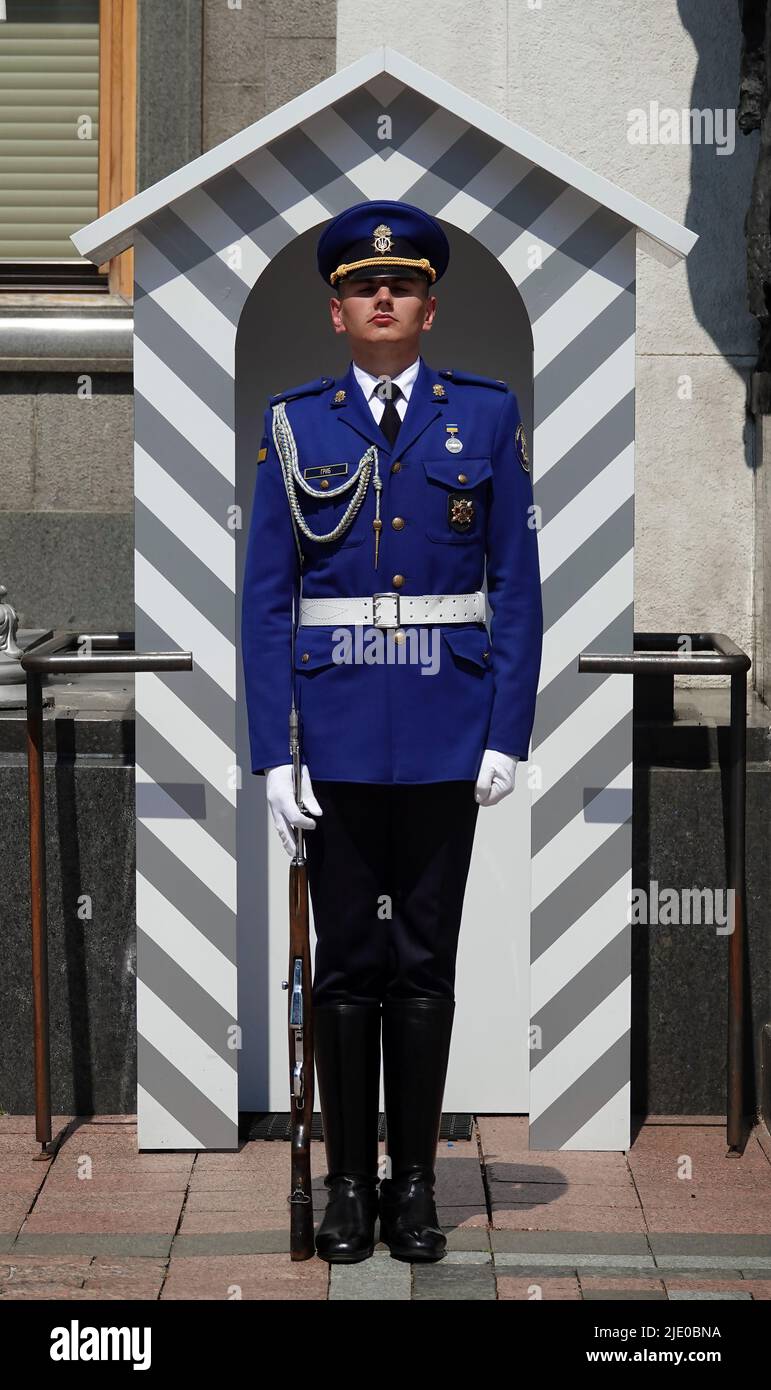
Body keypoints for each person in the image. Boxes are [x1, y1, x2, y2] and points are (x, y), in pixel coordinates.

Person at [241, 199, 543, 1264]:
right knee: (345, 965)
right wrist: (272, 752)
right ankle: (348, 1187)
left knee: (424, 961)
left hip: (451, 730)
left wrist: (509, 727)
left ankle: (415, 1184)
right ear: (335, 312)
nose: (383, 297)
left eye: (403, 284)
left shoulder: (488, 417)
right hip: (333, 741)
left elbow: (517, 584)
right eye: (365, 287)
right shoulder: (296, 424)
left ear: (427, 304)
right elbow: (267, 599)